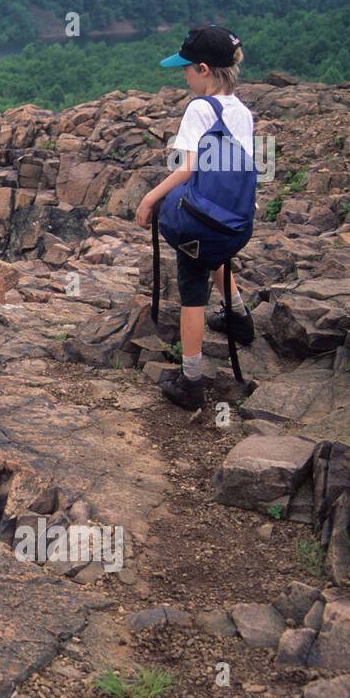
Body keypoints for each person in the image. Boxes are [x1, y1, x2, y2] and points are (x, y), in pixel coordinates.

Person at [136, 24, 255, 409]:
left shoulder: (200, 109)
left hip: (203, 222)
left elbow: (187, 169)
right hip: (235, 224)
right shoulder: (243, 112)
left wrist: (150, 199)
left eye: (186, 67)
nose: (183, 74)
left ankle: (191, 381)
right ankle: (239, 315)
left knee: (191, 291)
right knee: (212, 255)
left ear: (203, 69)